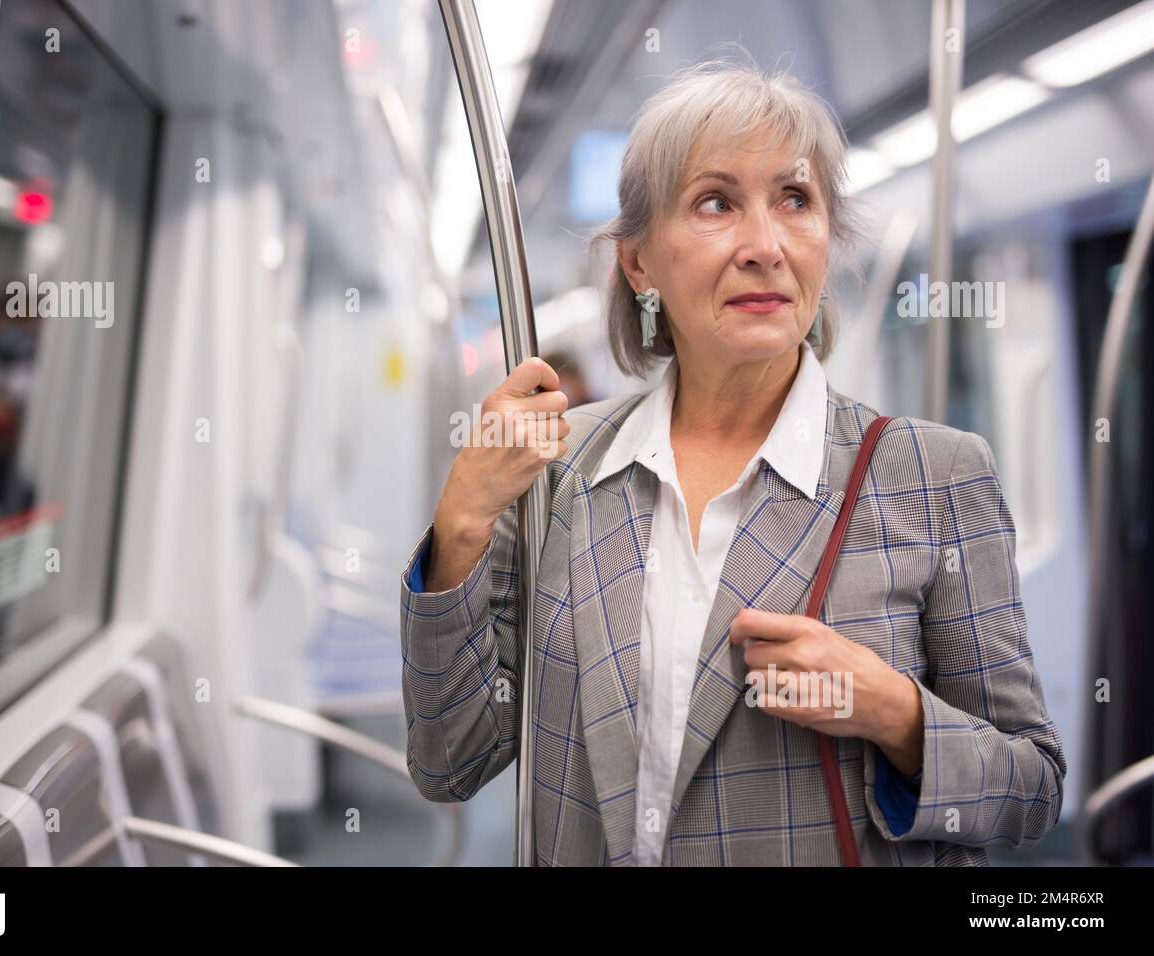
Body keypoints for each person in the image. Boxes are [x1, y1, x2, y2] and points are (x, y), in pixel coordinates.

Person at [399, 57, 1065, 865]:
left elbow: (1030, 792)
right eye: (715, 202)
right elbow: (451, 762)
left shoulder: (934, 475)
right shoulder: (558, 472)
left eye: (795, 200)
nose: (764, 245)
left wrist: (896, 712)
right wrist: (462, 528)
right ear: (638, 263)